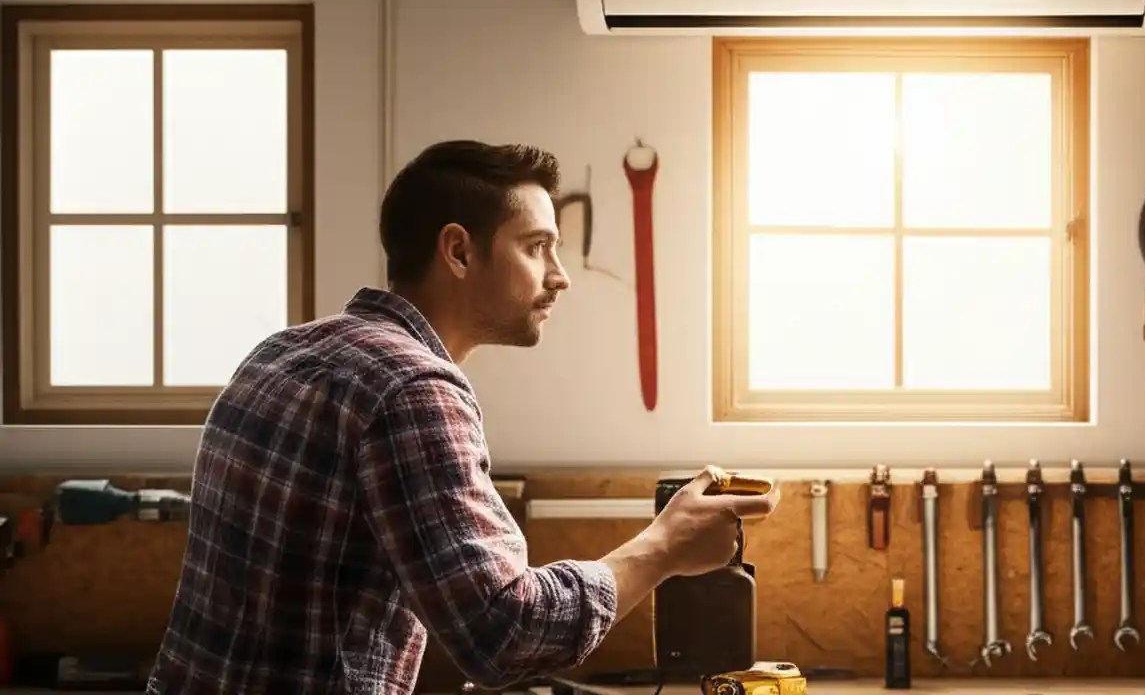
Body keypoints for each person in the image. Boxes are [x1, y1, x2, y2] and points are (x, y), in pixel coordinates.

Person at [146, 140, 781, 694]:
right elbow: (503, 634)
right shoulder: (413, 388)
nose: (561, 277)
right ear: (457, 251)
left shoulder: (282, 350)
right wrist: (664, 547)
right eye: (537, 248)